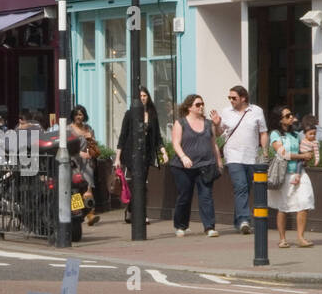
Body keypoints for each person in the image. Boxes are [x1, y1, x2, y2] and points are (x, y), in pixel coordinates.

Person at [212, 85, 268, 234]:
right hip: (233, 156)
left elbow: (263, 132)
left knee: (246, 188)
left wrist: (265, 151)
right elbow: (218, 134)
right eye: (229, 98)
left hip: (251, 156)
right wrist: (217, 123)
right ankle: (244, 219)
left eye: (234, 98)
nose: (231, 100)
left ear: (243, 98)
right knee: (241, 186)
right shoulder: (226, 112)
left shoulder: (256, 111)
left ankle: (238, 221)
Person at [169, 94, 223, 238]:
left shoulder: (208, 123)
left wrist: (219, 161)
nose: (201, 107)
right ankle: (181, 225)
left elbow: (214, 143)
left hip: (205, 165)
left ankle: (209, 227)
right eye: (197, 104)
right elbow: (175, 143)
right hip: (183, 167)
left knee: (206, 196)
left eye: (202, 104)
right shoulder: (181, 123)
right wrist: (183, 157)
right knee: (184, 196)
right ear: (189, 107)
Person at [115, 88, 166, 226]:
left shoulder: (152, 115)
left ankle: (136, 211)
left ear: (148, 97)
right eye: (140, 96)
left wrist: (163, 151)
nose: (142, 98)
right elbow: (123, 135)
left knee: (142, 185)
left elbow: (157, 137)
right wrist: (117, 158)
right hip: (130, 154)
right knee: (134, 184)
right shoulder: (130, 114)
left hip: (146, 155)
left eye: (145, 95)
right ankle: (138, 212)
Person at [269, 107, 315, 248]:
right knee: (283, 206)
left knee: (305, 200)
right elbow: (283, 154)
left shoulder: (296, 134)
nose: (291, 117)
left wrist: (307, 156)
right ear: (280, 119)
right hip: (284, 173)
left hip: (299, 172)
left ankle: (301, 237)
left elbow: (303, 150)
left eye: (291, 114)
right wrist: (302, 156)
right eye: (287, 115)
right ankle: (282, 238)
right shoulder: (275, 135)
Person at [69, 105, 101, 227]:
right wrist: (78, 153)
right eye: (76, 114)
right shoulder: (68, 129)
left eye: (81, 114)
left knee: (88, 188)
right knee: (75, 189)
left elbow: (94, 145)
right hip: (73, 163)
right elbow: (65, 147)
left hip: (87, 163)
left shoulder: (88, 128)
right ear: (73, 116)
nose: (78, 117)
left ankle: (90, 214)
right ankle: (77, 214)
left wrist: (91, 138)